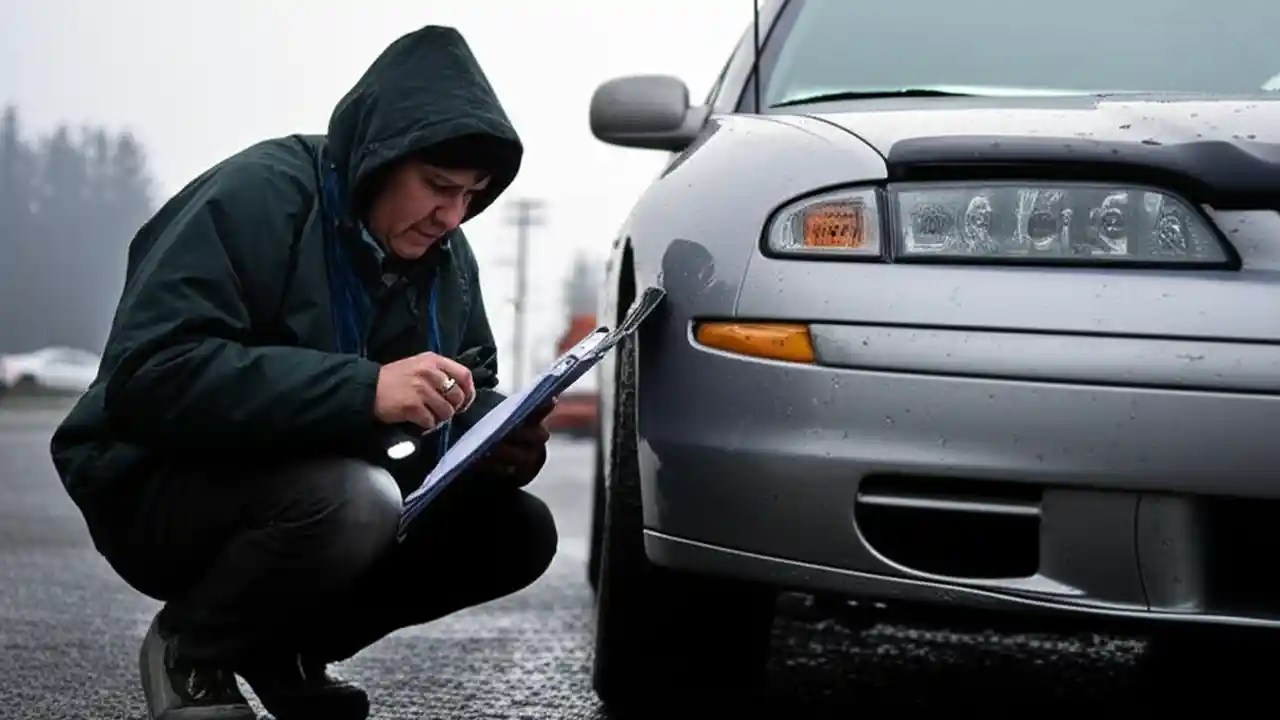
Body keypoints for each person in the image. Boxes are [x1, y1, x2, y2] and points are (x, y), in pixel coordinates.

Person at [48, 24, 558, 720]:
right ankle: (192, 646)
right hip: (158, 484)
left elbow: (465, 372)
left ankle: (277, 649)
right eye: (438, 186)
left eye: (471, 194)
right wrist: (366, 390)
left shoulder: (444, 254)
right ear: (382, 158)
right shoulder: (258, 196)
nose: (452, 214)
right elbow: (151, 375)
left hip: (325, 489)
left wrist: (490, 433)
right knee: (354, 499)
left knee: (516, 532)